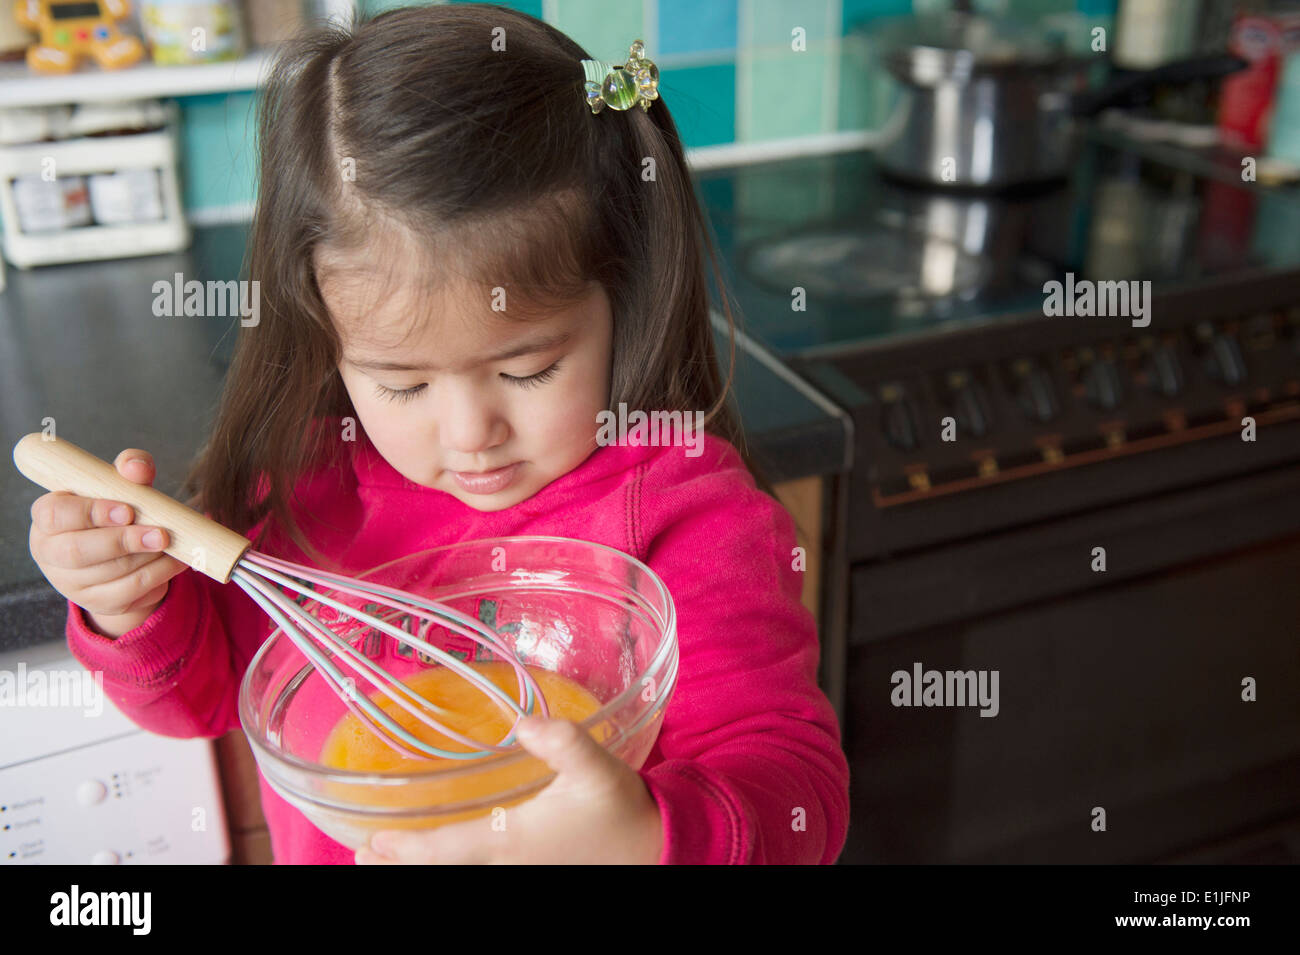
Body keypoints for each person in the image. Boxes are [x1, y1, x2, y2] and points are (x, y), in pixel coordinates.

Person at [24, 3, 849, 864]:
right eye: (402, 383)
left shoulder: (689, 523)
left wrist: (648, 836)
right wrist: (133, 606)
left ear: (622, 295)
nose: (470, 433)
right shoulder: (304, 497)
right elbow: (197, 699)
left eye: (527, 370)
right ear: (324, 338)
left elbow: (798, 795)